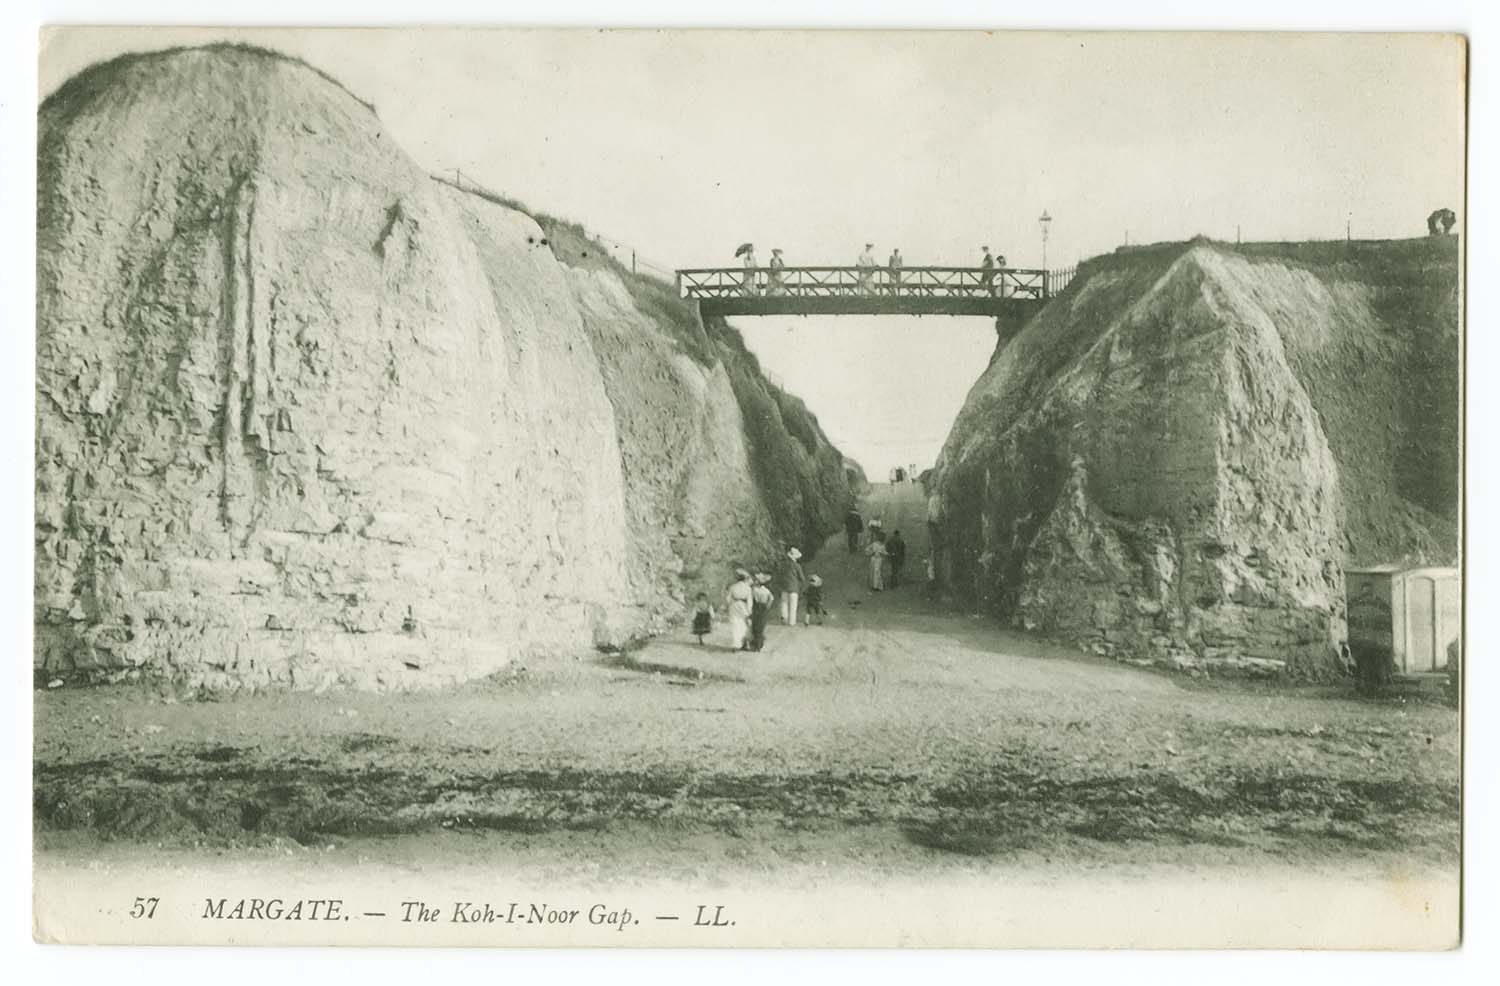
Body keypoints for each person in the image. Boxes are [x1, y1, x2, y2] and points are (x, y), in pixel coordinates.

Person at [725, 569, 753, 651]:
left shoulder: (733, 587)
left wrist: (727, 606)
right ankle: (744, 643)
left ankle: (735, 644)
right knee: (743, 625)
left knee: (735, 624)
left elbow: (728, 598)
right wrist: (749, 610)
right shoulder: (748, 588)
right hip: (743, 606)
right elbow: (749, 600)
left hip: (734, 606)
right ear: (745, 579)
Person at [778, 547, 806, 626]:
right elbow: (802, 578)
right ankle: (791, 622)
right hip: (794, 588)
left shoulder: (783, 565)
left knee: (784, 603)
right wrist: (801, 586)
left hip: (784, 587)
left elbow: (780, 576)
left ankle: (784, 617)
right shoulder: (797, 566)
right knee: (793, 605)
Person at [749, 574, 775, 651]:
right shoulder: (766, 590)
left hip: (756, 607)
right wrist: (767, 606)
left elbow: (752, 598)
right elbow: (771, 599)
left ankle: (755, 644)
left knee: (755, 625)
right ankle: (759, 644)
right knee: (761, 625)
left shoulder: (754, 590)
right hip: (763, 608)